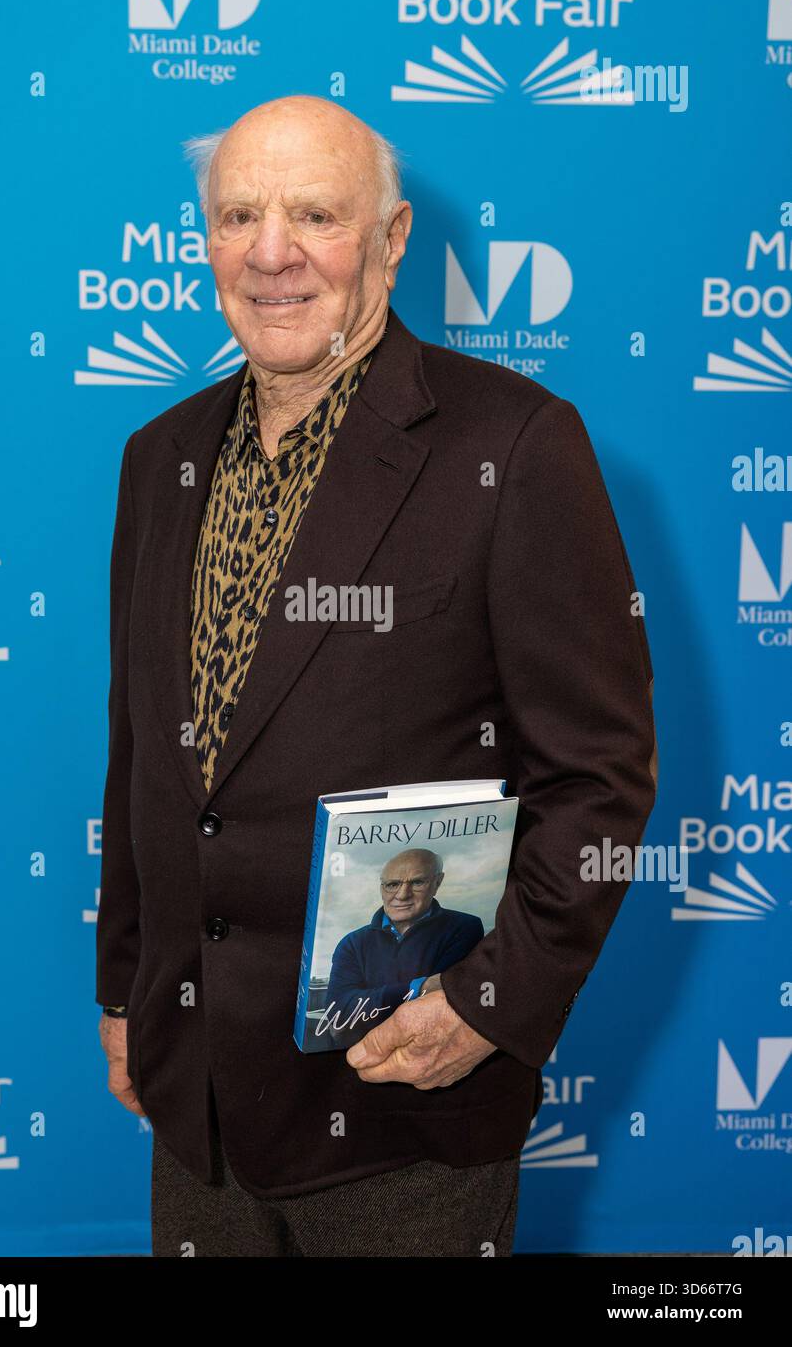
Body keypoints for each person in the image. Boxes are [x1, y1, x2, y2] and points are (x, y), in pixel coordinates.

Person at [96, 94, 657, 1258]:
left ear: (394, 240)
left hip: (403, 1112)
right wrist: (125, 987)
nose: (270, 253)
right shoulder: (161, 461)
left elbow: (599, 778)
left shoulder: (514, 446)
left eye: (315, 215)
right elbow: (145, 751)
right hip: (196, 1107)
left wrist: (488, 1005)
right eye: (238, 215)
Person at [323, 849, 483, 1037]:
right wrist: (419, 987)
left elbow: (444, 1005)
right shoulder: (352, 943)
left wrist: (370, 999)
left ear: (437, 882)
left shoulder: (465, 927)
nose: (402, 895)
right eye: (392, 884)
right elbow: (338, 1012)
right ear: (381, 888)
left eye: (417, 882)